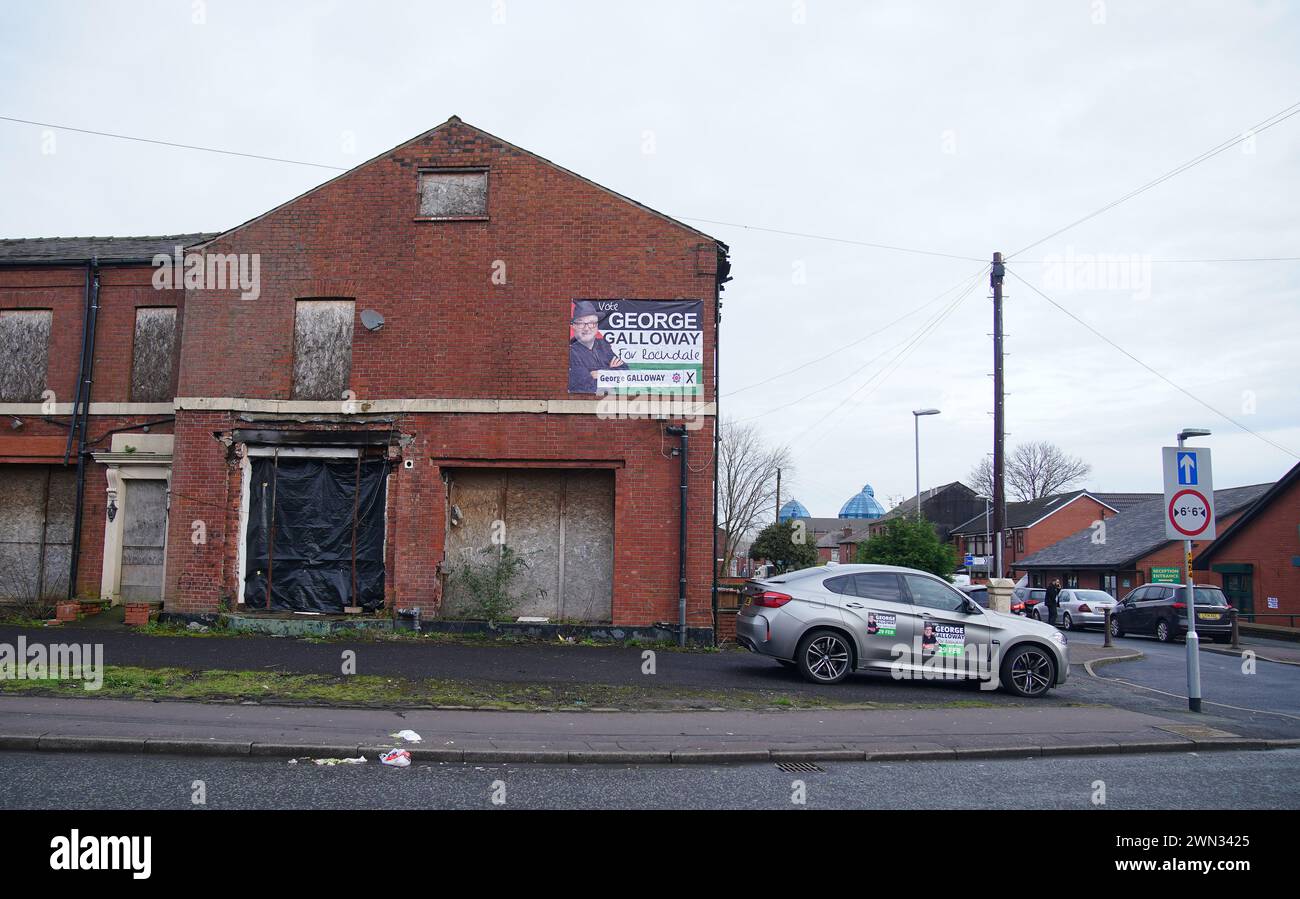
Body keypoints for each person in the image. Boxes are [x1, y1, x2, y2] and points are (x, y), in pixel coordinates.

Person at [567, 300, 625, 393]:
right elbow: (585, 386)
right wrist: (610, 370)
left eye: (591, 323)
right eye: (581, 323)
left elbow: (625, 371)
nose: (587, 328)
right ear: (574, 326)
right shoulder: (570, 351)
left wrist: (597, 374)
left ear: (597, 326)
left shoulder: (603, 345)